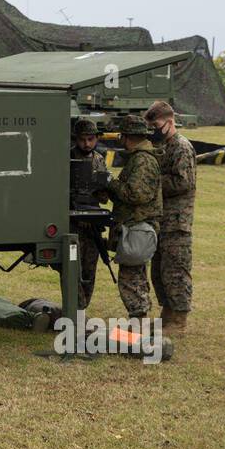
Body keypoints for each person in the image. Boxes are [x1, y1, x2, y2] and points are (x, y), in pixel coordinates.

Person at [104, 115, 162, 318]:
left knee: (131, 277)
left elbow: (136, 194)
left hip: (137, 227)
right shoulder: (139, 158)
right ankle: (140, 318)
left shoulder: (143, 160)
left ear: (126, 136)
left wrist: (111, 182)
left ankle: (139, 320)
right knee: (135, 275)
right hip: (135, 227)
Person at [145, 100, 196, 329]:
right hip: (161, 219)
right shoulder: (162, 145)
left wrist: (152, 183)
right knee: (159, 270)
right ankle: (167, 312)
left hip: (177, 222)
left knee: (176, 270)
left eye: (155, 124)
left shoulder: (181, 147)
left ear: (169, 122)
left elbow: (183, 182)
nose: (153, 129)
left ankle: (178, 318)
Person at [69, 118, 108, 308]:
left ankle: (83, 307)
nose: (87, 144)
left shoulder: (99, 160)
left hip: (93, 223)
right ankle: (76, 307)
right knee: (72, 268)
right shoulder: (67, 159)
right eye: (83, 139)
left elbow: (103, 195)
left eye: (91, 139)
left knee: (90, 268)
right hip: (73, 223)